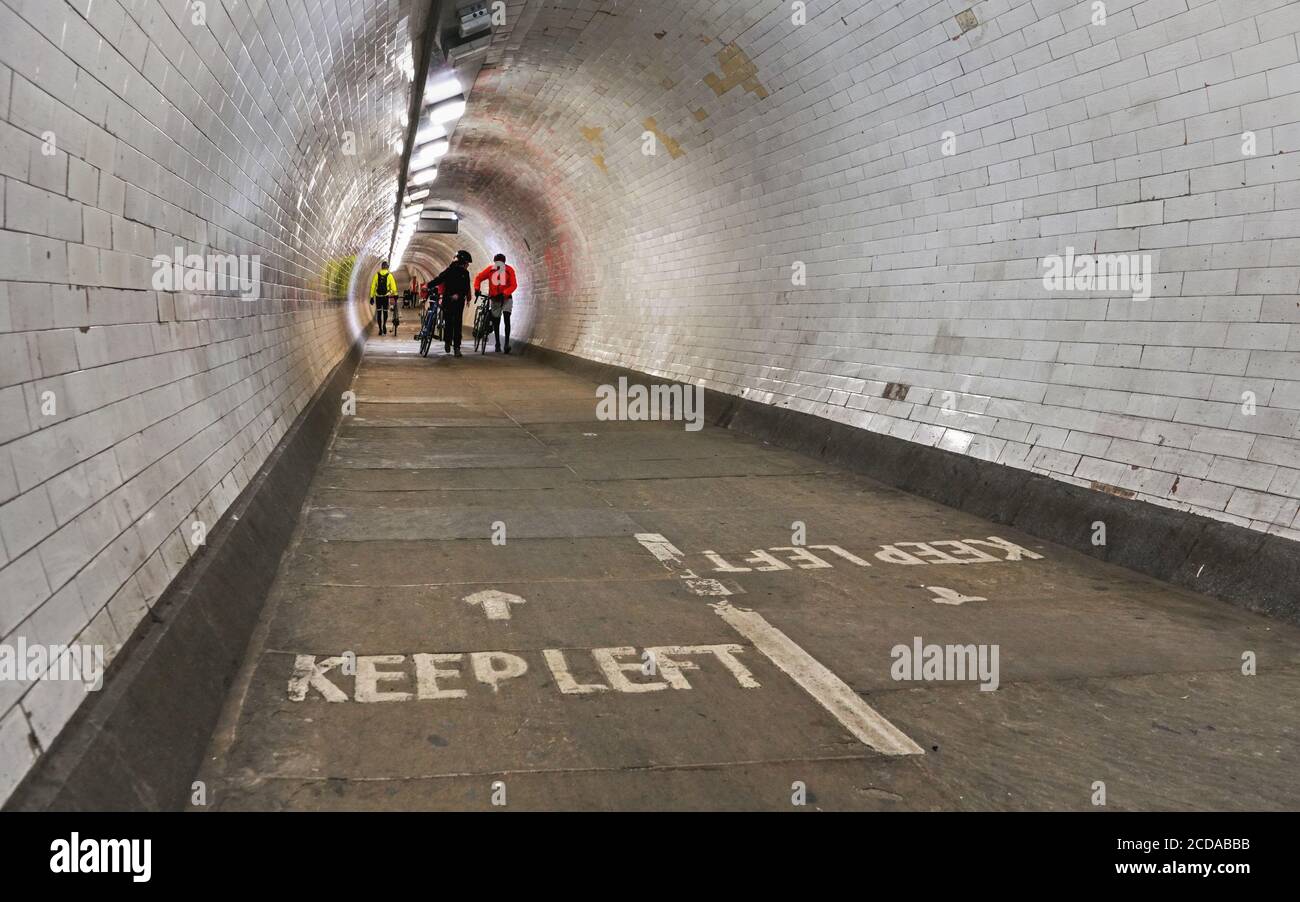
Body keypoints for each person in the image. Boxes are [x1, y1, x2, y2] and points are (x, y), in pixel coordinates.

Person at [429, 250, 473, 357]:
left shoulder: (463, 273)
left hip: (456, 301)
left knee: (456, 323)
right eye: (467, 263)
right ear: (463, 262)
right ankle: (449, 343)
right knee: (450, 322)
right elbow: (439, 279)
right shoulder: (451, 271)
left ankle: (456, 346)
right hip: (450, 300)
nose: (468, 265)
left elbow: (466, 287)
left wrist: (461, 295)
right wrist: (428, 285)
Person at [473, 253, 519, 353]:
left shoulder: (509, 270)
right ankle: (497, 343)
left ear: (504, 263)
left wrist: (504, 293)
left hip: (506, 299)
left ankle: (506, 343)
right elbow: (478, 278)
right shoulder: (490, 270)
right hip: (494, 299)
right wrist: (477, 288)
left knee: (507, 319)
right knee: (496, 321)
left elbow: (514, 285)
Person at [369, 261, 397, 335]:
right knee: (385, 312)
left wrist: (371, 297)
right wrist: (395, 294)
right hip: (385, 297)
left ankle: (380, 329)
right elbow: (393, 288)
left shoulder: (376, 275)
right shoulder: (389, 275)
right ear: (387, 267)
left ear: (381, 267)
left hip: (378, 297)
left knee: (378, 313)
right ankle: (384, 325)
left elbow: (373, 286)